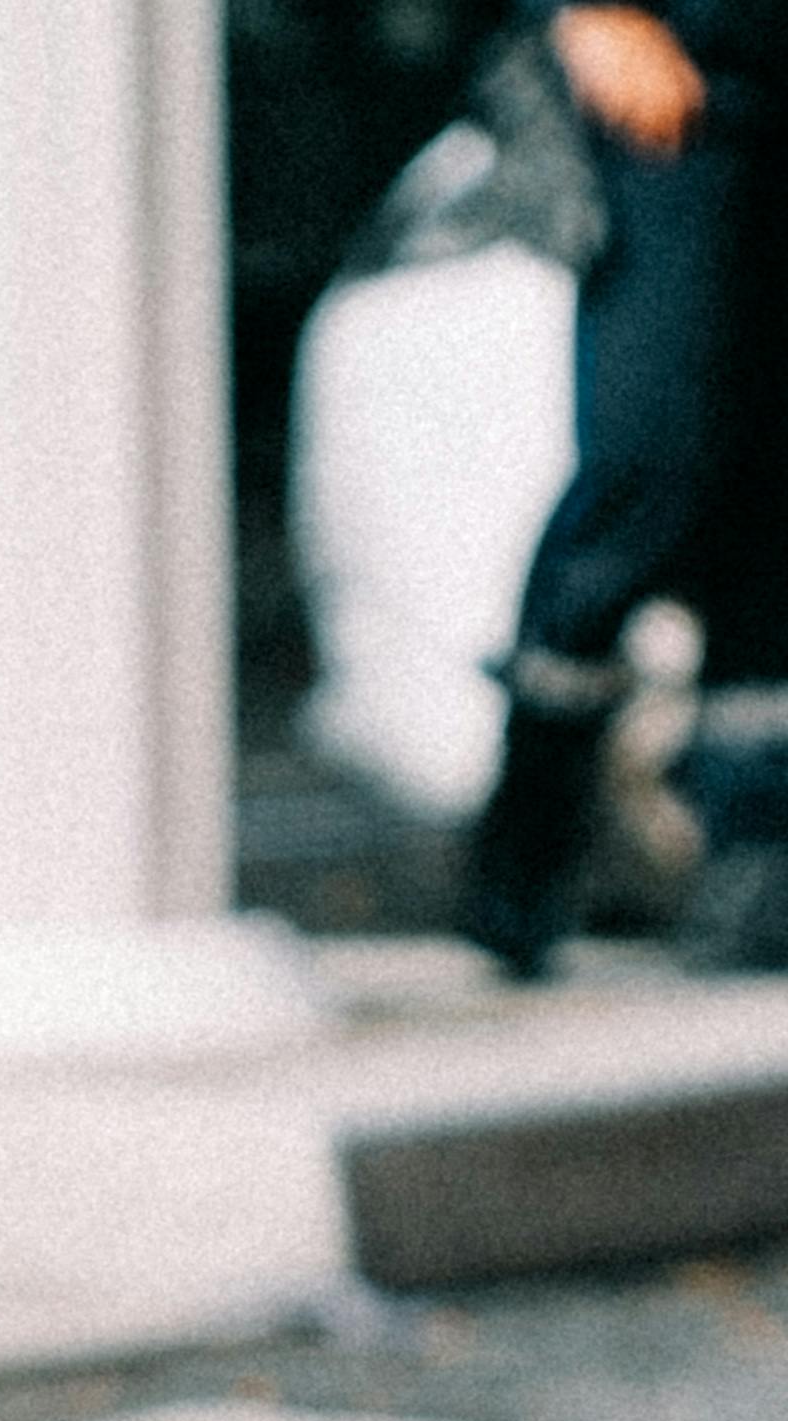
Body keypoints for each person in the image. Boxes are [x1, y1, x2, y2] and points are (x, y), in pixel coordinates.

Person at [467, 0, 788, 973]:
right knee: (647, 465)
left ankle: (754, 860)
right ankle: (524, 843)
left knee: (768, 484)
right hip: (679, 69)